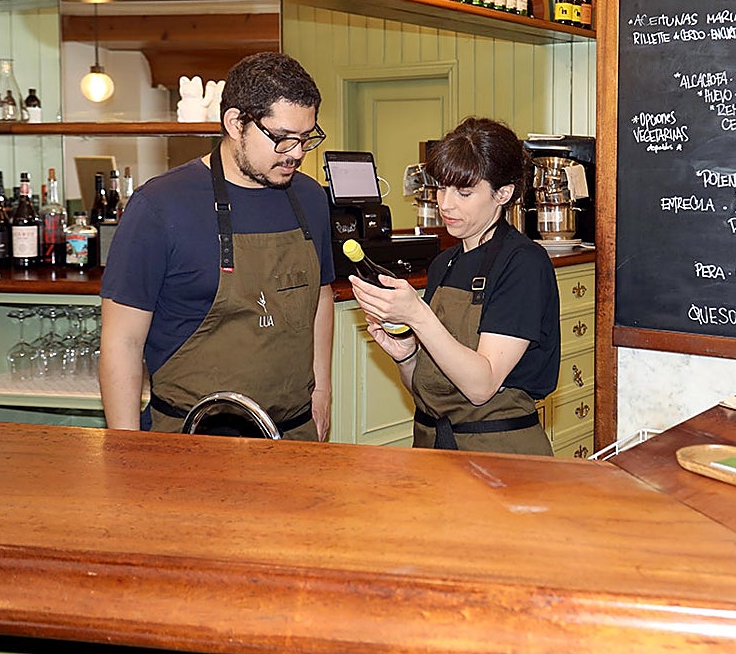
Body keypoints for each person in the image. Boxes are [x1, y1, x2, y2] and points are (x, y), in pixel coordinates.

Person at [98, 52, 335, 441]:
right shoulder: (160, 206)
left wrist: (322, 390)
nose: (296, 153)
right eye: (282, 138)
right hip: (190, 441)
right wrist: (128, 450)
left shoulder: (310, 198)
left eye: (306, 138)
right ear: (235, 123)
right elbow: (122, 341)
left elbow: (320, 297)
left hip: (294, 438)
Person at [349, 117, 559, 454]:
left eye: (463, 192)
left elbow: (481, 385)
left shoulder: (524, 264)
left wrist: (418, 316)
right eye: (441, 188)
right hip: (436, 448)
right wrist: (407, 358)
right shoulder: (443, 264)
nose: (445, 204)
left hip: (500, 455)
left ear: (502, 193)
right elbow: (430, 388)